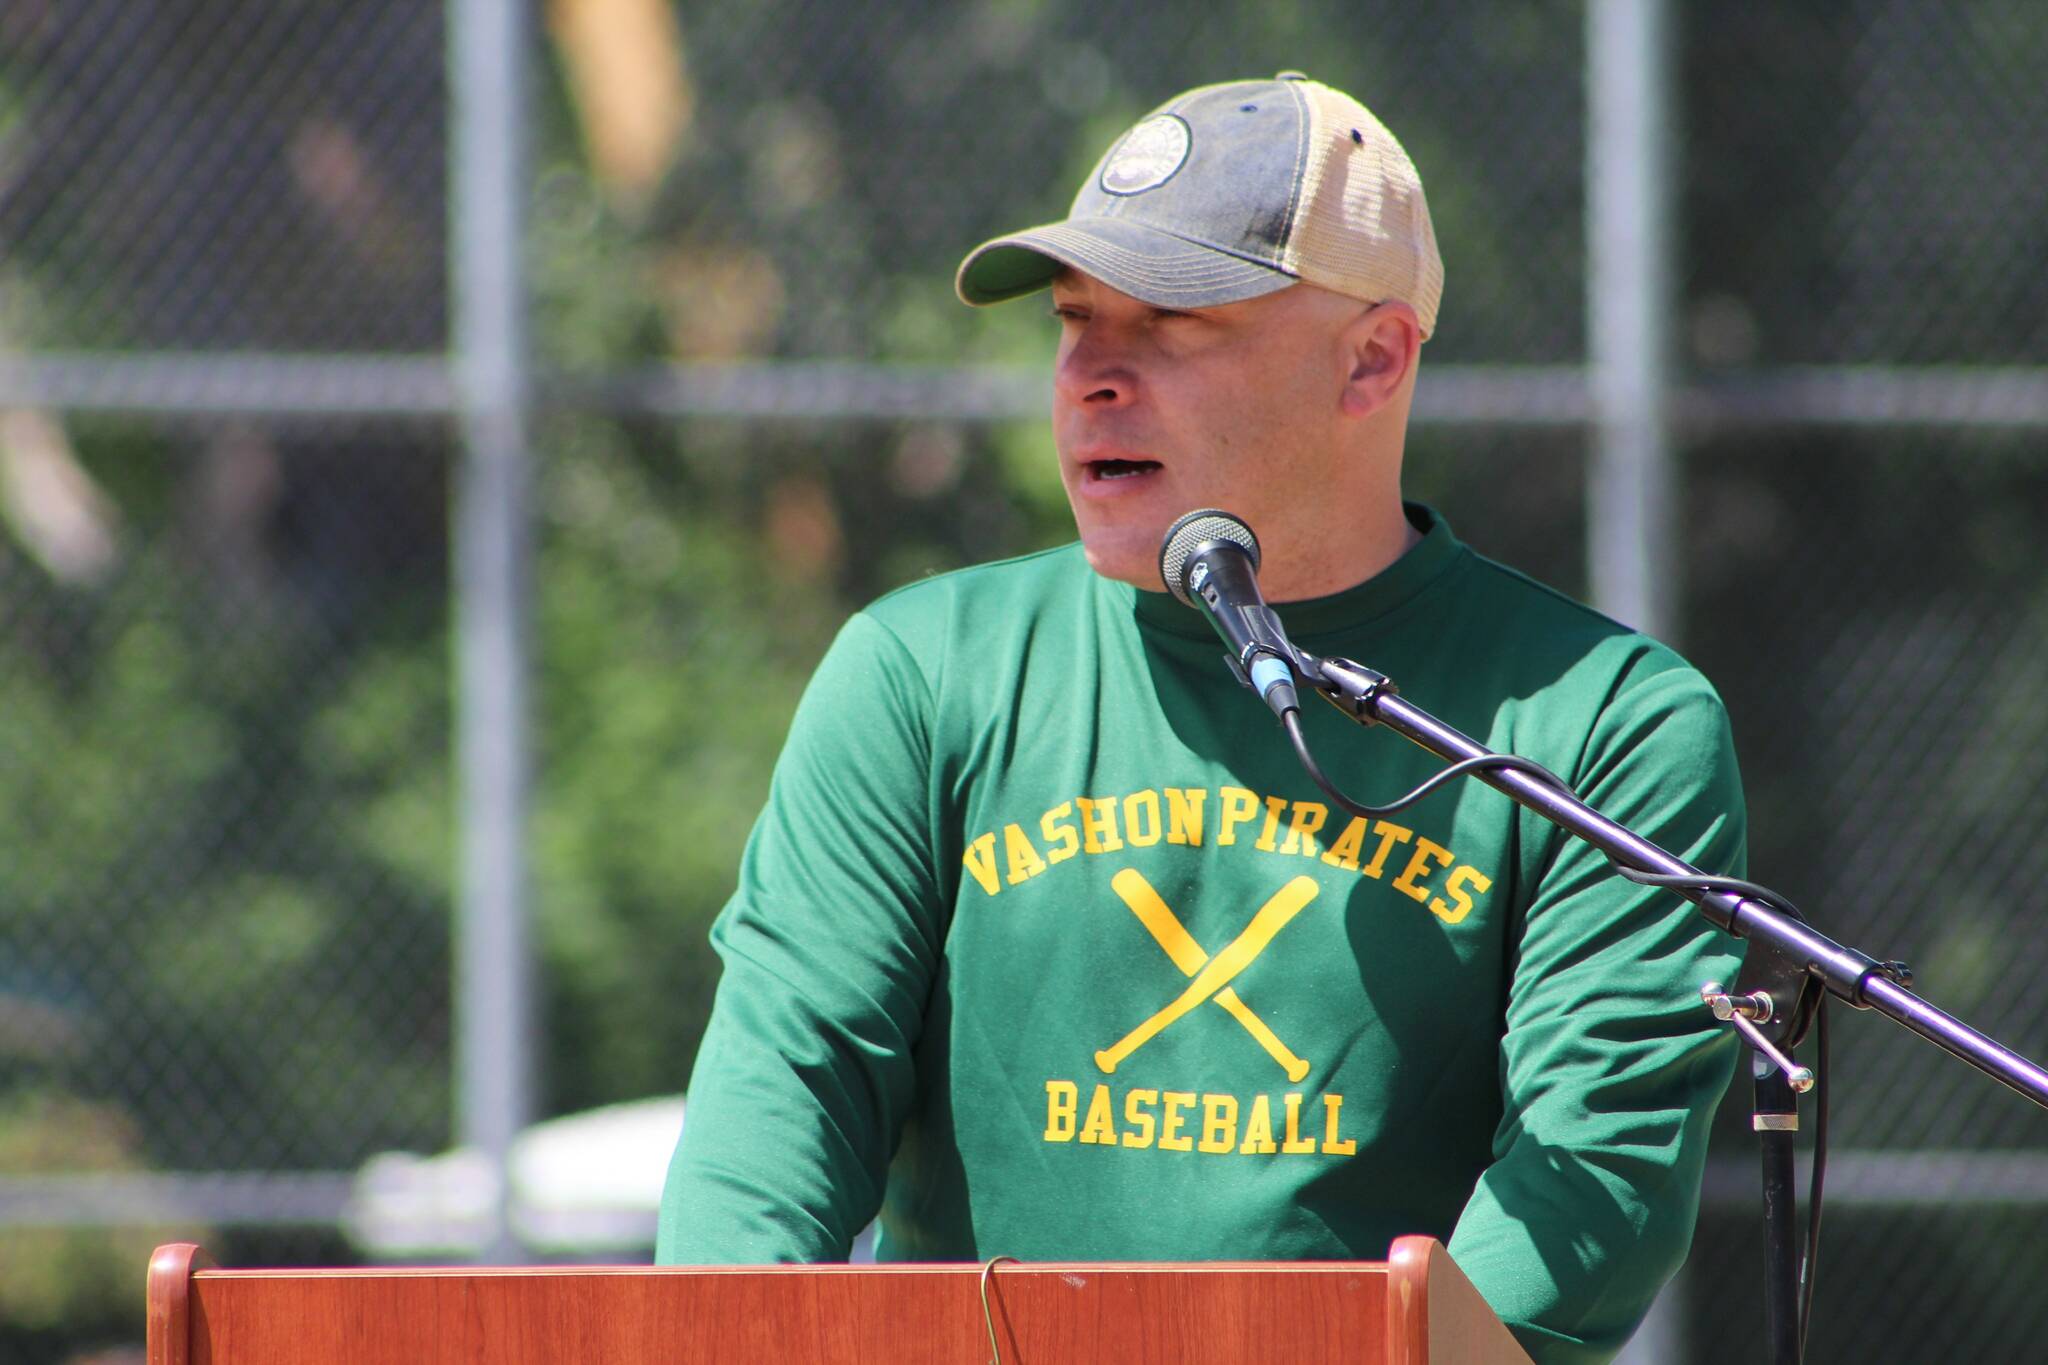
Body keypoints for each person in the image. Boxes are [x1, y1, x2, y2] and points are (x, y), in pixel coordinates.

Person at [659, 72, 1745, 1365]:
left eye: (1171, 322)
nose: (1090, 377)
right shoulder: (919, 672)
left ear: (1374, 358)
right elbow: (778, 1104)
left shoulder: (1605, 722)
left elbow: (1587, 1190)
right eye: (1073, 321)